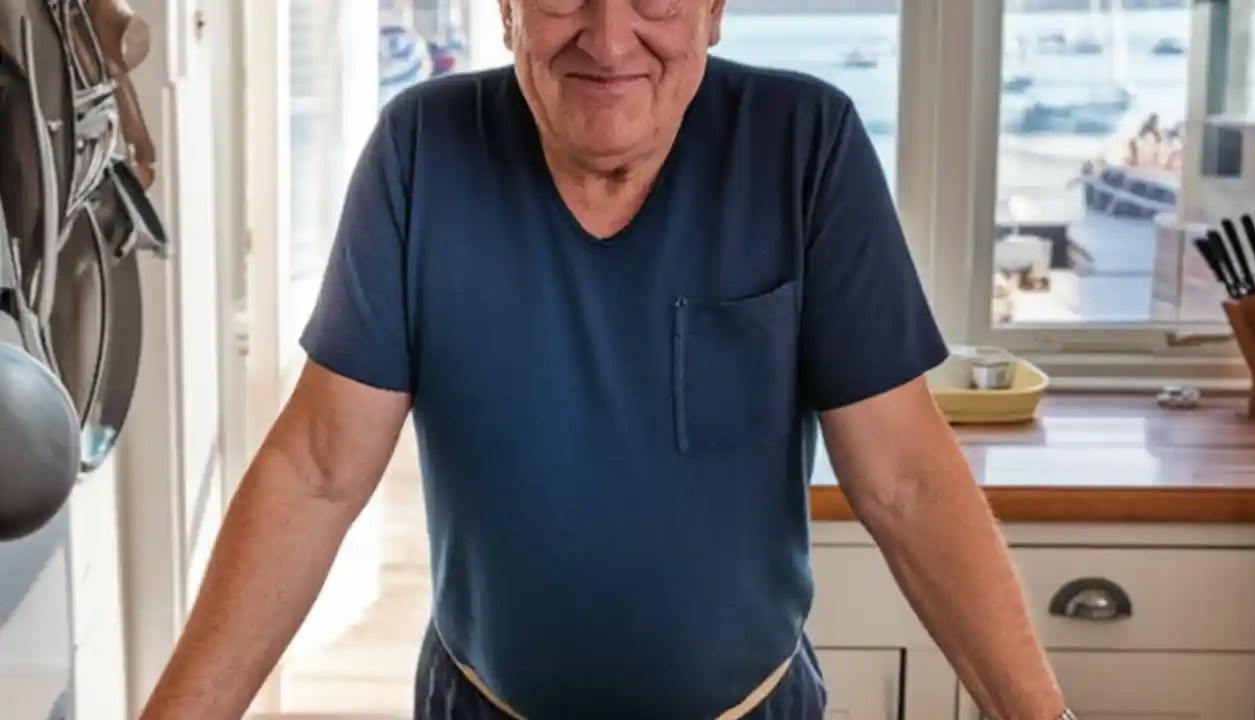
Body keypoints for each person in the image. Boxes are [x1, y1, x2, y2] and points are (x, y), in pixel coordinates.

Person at [141, 1, 1074, 718]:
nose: (611, 39)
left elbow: (906, 481)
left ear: (714, 6)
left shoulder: (805, 144)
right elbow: (315, 475)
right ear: (503, 5)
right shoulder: (420, 151)